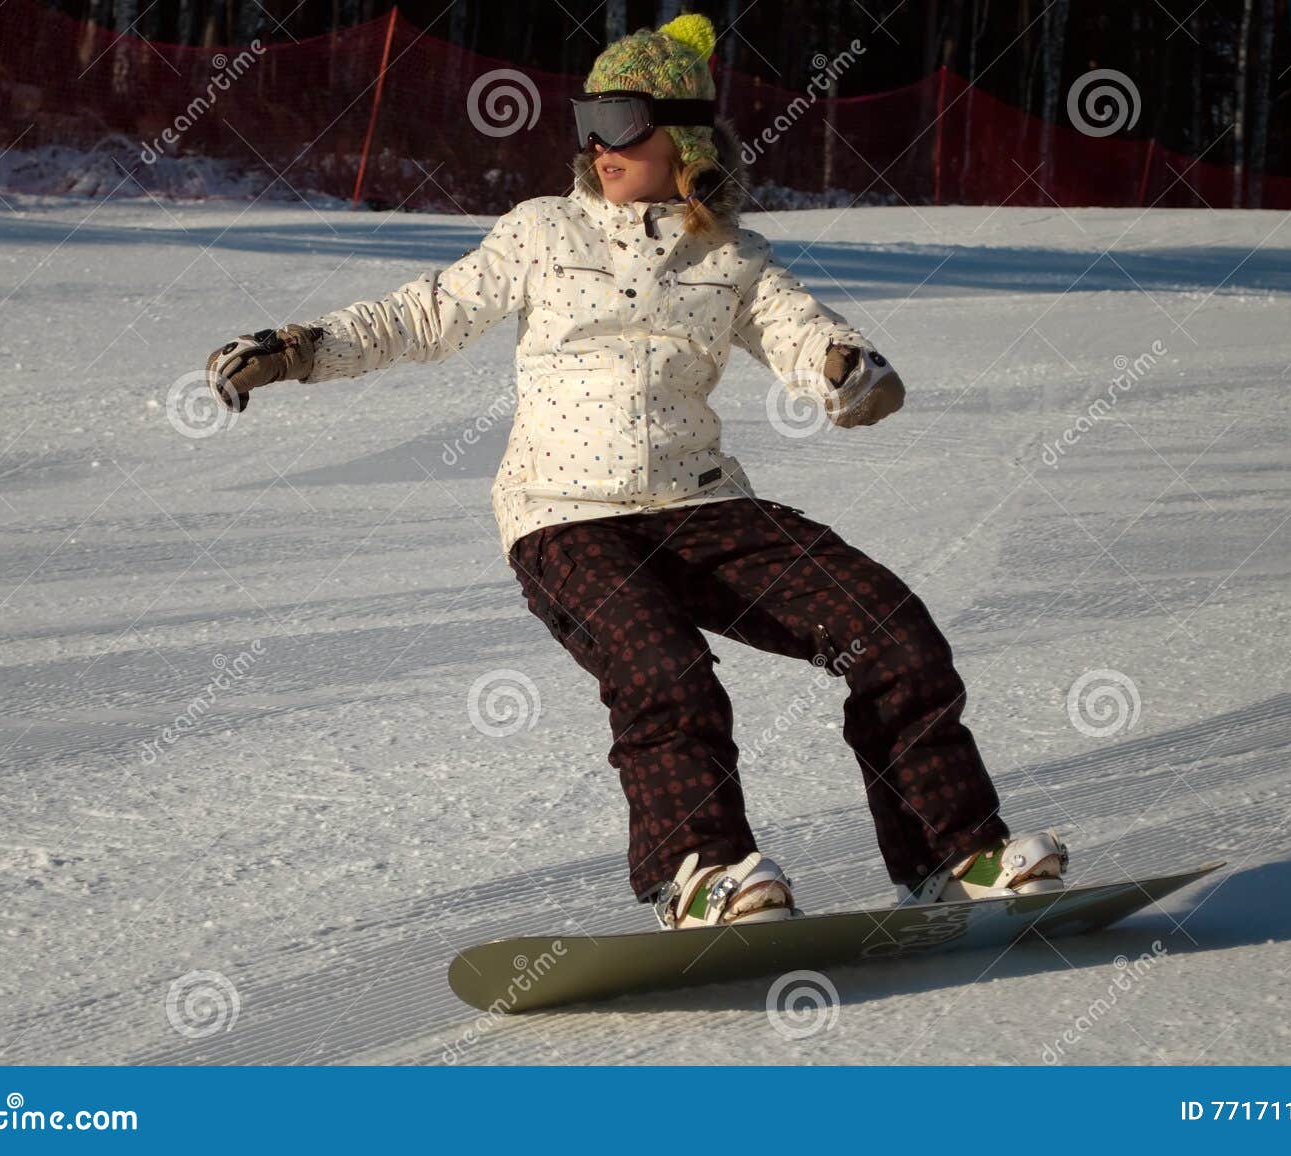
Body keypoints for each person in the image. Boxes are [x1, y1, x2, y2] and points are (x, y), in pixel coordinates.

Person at [204, 14, 1065, 931]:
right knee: (667, 674)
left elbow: (799, 330)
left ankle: (951, 854)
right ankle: (700, 874)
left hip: (699, 504)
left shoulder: (732, 255)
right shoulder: (542, 232)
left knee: (889, 631)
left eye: (621, 121)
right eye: (586, 118)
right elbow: (425, 314)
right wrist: (300, 350)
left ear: (684, 135)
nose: (595, 145)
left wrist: (850, 370)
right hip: (562, 517)